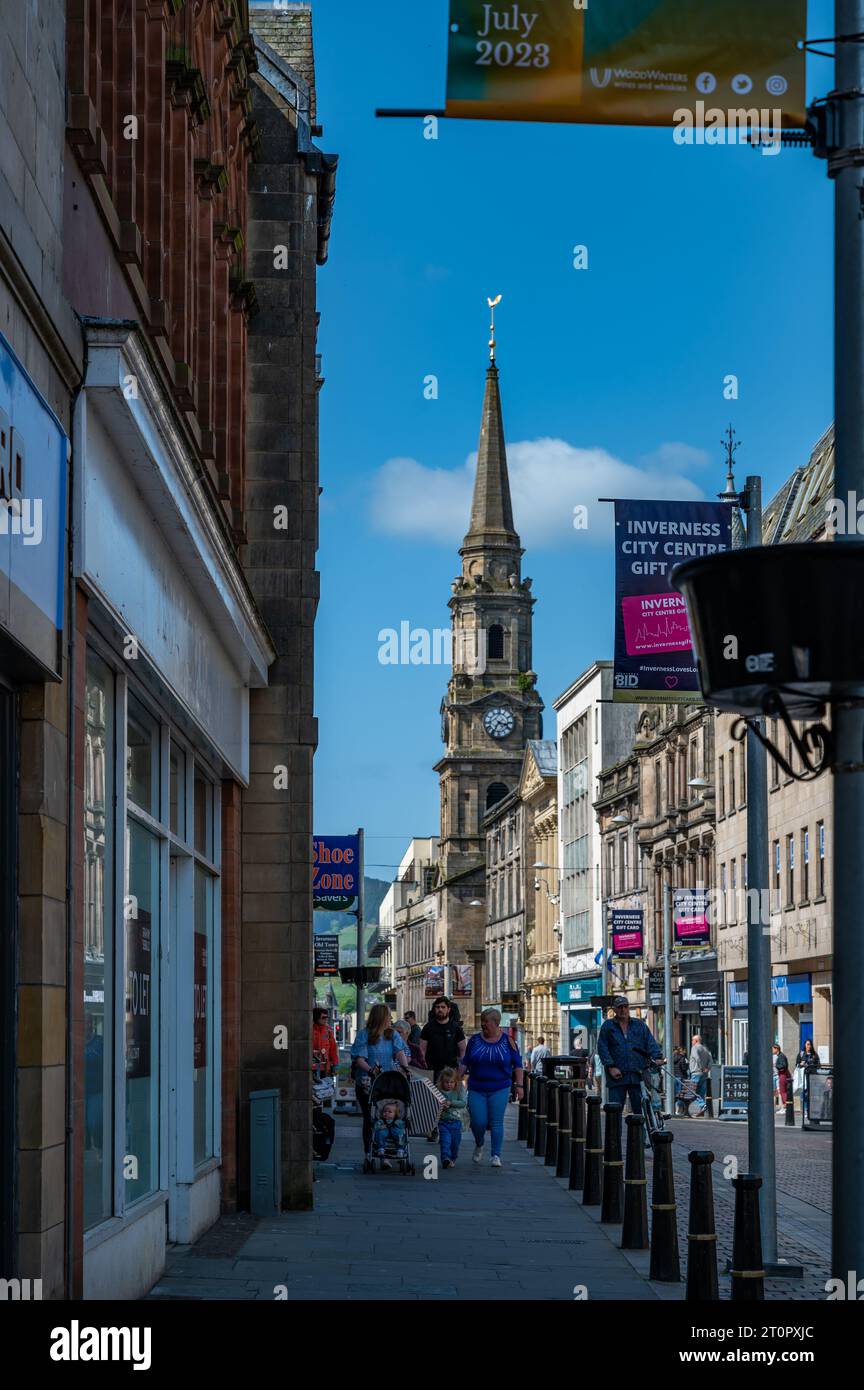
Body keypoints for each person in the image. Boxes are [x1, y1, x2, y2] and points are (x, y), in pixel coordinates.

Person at [460, 1007, 523, 1167]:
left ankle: (496, 1155)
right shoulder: (474, 1040)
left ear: (496, 1023)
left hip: (500, 1086)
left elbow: (518, 1065)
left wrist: (520, 1085)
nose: (482, 1024)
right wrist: (455, 1079)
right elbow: (465, 1062)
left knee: (496, 1122)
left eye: (485, 1022)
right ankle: (479, 1143)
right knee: (477, 1122)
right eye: (482, 1021)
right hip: (476, 1086)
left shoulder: (508, 1041)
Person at [350, 1004, 409, 1152]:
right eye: (388, 1015)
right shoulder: (364, 1035)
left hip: (387, 1082)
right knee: (370, 1117)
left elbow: (400, 1053)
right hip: (367, 1082)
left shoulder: (392, 1034)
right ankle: (370, 1149)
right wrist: (371, 1070)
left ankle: (387, 1148)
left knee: (389, 1115)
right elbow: (359, 1059)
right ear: (381, 1017)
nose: (391, 1018)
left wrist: (405, 1068)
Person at [597, 995, 663, 1116]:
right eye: (620, 1007)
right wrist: (611, 1066)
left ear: (629, 1008)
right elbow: (602, 1047)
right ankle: (614, 1135)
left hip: (638, 1075)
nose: (623, 1010)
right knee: (615, 1113)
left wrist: (657, 1057)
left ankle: (642, 1135)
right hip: (617, 1075)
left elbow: (650, 1043)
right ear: (615, 1010)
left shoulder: (640, 1025)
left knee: (641, 1113)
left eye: (625, 1007)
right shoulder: (608, 1026)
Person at [419, 996, 466, 1081]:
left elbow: (463, 1050)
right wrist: (423, 1067)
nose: (440, 1009)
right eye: (437, 1007)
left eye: (443, 1007)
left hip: (451, 1070)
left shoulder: (456, 1028)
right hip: (432, 1070)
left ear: (448, 1009)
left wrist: (460, 1070)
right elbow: (422, 1049)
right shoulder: (428, 1028)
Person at [437, 1066, 468, 1168]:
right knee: (445, 1141)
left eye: (451, 1082)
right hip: (443, 1121)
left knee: (455, 1143)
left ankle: (453, 1158)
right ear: (442, 1082)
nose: (449, 1084)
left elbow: (463, 1103)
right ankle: (445, 1158)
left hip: (456, 1122)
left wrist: (451, 1103)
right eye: (446, 1082)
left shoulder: (458, 1090)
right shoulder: (438, 1090)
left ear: (455, 1082)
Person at [371, 1101, 406, 1170]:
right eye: (384, 1111)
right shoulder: (381, 1121)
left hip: (395, 1133)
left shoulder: (398, 1121)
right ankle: (381, 1149)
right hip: (384, 1132)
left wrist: (401, 1124)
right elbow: (375, 1127)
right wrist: (379, 1127)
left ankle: (400, 1149)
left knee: (400, 1133)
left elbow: (403, 1126)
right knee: (380, 1133)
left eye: (390, 1112)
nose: (386, 1113)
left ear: (395, 1114)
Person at [312, 1006, 338, 1077]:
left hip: (325, 1068)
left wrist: (335, 1064)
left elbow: (333, 1049)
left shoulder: (328, 1031)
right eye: (323, 1017)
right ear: (316, 1018)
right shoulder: (310, 1030)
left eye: (327, 1017)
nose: (326, 1019)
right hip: (312, 1067)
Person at [688, 1033, 713, 1105]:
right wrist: (707, 1068)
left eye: (692, 1040)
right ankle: (701, 1109)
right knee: (701, 1093)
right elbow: (711, 1061)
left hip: (696, 1072)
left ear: (696, 1040)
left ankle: (702, 1105)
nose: (691, 1042)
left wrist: (701, 1067)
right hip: (704, 1074)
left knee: (692, 1092)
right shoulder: (705, 1049)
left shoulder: (694, 1048)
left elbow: (697, 1058)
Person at [773, 1043, 792, 1108]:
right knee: (782, 1091)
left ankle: (785, 1106)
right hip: (782, 1074)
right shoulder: (780, 1056)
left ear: (776, 1049)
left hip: (783, 1074)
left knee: (783, 1091)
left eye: (773, 1049)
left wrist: (776, 1065)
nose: (772, 1051)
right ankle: (785, 1106)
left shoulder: (781, 1056)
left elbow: (783, 1065)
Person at [672, 1046, 689, 1114]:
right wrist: (687, 1066)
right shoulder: (682, 1058)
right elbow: (683, 1068)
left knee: (675, 1094)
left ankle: (675, 1110)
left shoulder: (672, 1058)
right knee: (680, 1094)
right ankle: (679, 1110)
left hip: (674, 1077)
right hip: (681, 1077)